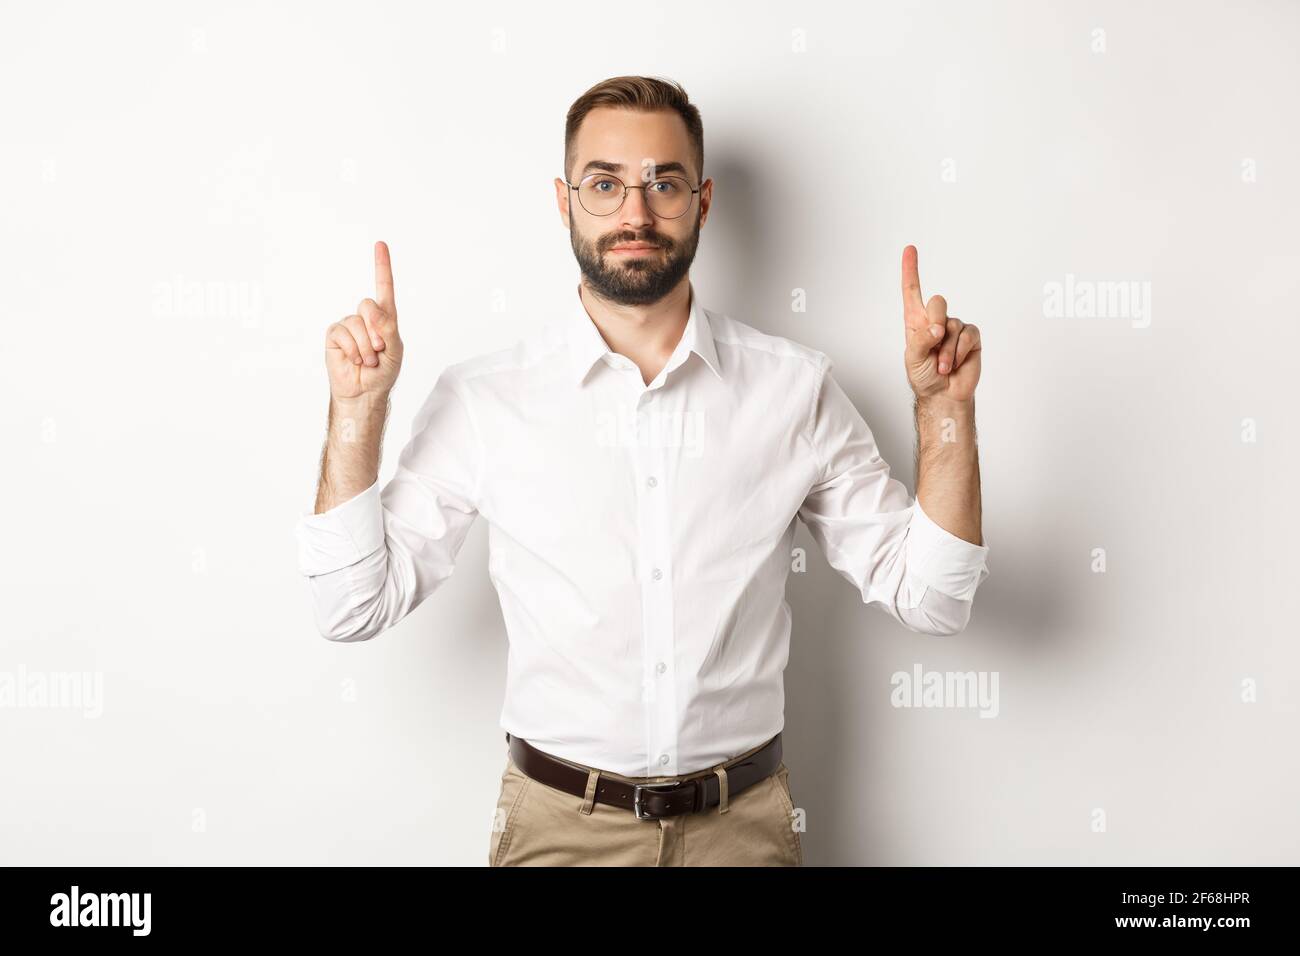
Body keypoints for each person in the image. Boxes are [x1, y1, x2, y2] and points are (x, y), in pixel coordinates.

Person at [295, 75, 988, 866]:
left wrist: (944, 411)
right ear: (564, 201)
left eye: (664, 183)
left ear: (703, 200)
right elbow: (351, 607)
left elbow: (931, 599)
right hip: (559, 833)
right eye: (605, 184)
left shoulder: (794, 389)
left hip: (745, 834)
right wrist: (357, 412)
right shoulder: (484, 399)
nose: (635, 212)